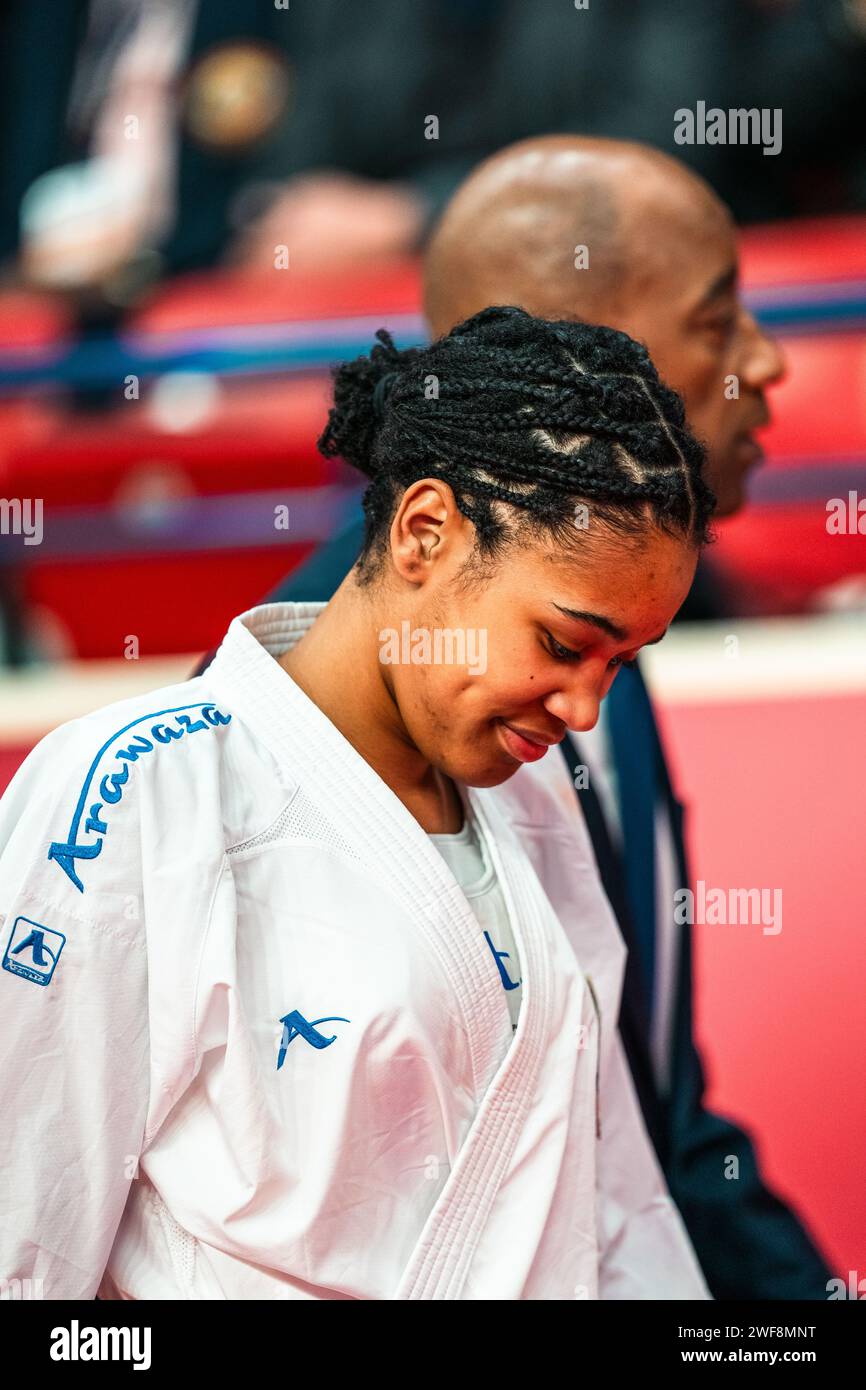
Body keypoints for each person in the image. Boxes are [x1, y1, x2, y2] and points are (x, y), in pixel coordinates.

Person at [0, 306, 715, 1300]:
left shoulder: (536, 807)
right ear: (426, 531)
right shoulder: (133, 790)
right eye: (561, 643)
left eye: (617, 663)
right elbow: (22, 1220)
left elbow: (612, 1205)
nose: (583, 705)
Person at [254, 137, 834, 1299]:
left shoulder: (601, 631)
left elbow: (650, 1123)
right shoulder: (290, 731)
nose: (764, 363)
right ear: (575, 352)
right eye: (719, 321)